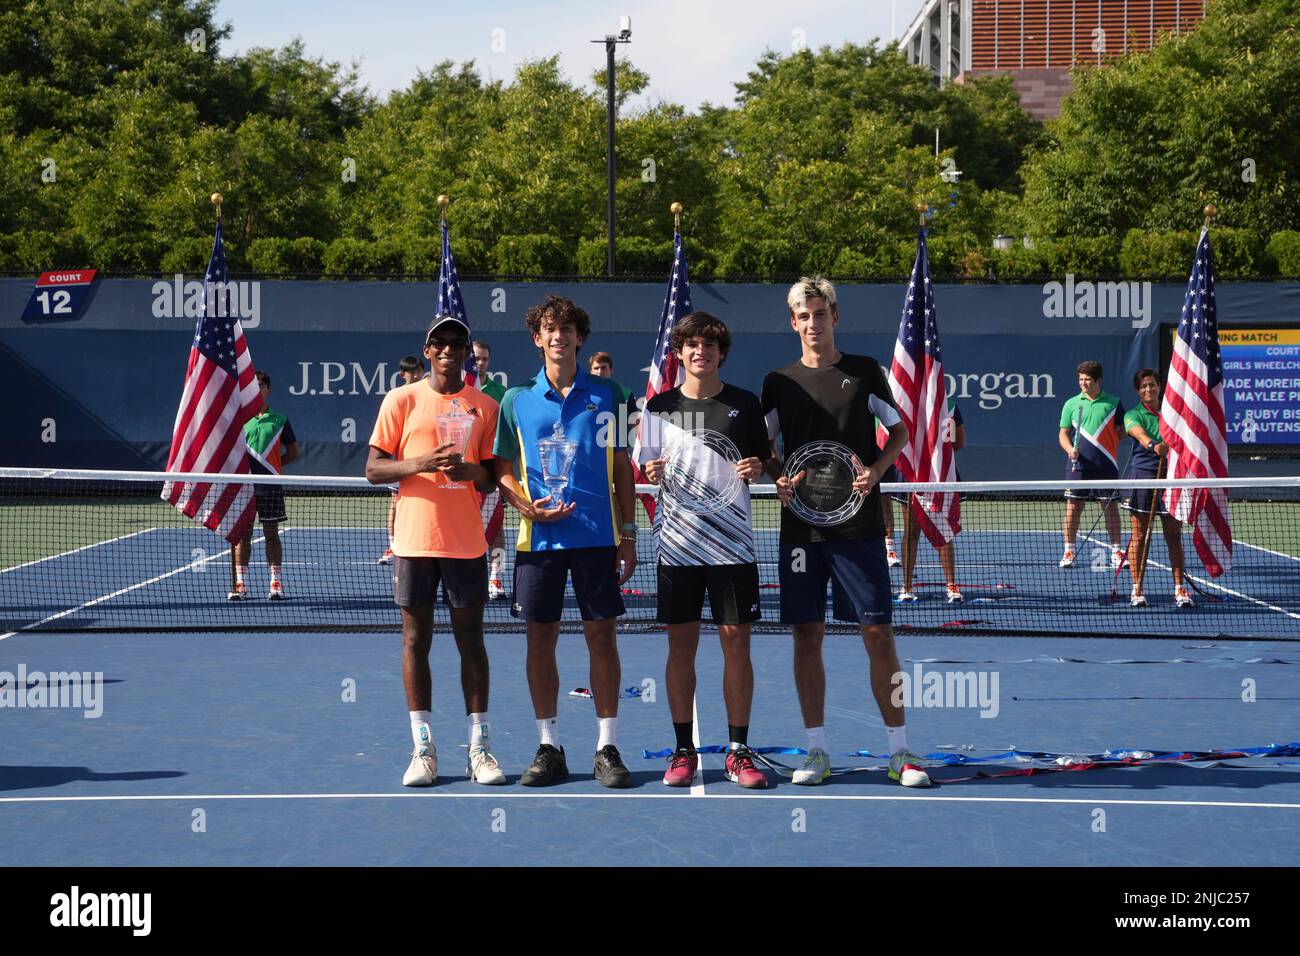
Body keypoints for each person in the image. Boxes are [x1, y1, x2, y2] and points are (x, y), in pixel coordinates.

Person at [761, 276, 930, 788]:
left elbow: (899, 431)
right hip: (801, 531)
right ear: (794, 323)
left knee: (878, 635)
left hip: (858, 526)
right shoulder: (778, 382)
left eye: (821, 313)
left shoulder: (864, 373)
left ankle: (900, 752)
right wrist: (778, 477)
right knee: (806, 635)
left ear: (836, 317)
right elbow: (768, 448)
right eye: (804, 315)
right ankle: (816, 752)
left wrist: (876, 471)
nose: (814, 323)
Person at [492, 295, 639, 788]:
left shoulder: (612, 394)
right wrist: (524, 506)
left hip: (598, 539)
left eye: (568, 328)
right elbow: (503, 470)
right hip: (538, 543)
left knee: (603, 638)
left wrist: (629, 532)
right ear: (538, 339)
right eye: (549, 329)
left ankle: (606, 745)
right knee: (540, 642)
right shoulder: (515, 400)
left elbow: (621, 465)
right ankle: (548, 744)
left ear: (580, 337)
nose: (559, 336)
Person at [365, 316, 506, 787]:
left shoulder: (485, 406)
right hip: (413, 542)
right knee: (415, 641)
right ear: (427, 349)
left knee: (472, 642)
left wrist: (472, 474)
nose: (448, 349)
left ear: (468, 352)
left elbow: (490, 477)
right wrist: (421, 464)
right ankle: (423, 750)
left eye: (456, 343)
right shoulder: (400, 399)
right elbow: (373, 469)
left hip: (465, 542)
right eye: (439, 342)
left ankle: (479, 749)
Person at [638, 312, 771, 789]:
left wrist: (759, 467)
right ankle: (682, 750)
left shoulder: (744, 403)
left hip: (733, 545)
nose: (701, 352)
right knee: (681, 647)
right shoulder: (656, 408)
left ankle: (738, 751)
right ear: (678, 353)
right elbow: (646, 469)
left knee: (737, 644)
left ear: (721, 353)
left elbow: (766, 462)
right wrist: (650, 473)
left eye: (710, 345)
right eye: (692, 345)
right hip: (677, 547)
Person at [1123, 368, 1192, 608]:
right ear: (1137, 390)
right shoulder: (1133, 414)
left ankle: (1180, 589)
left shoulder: (1172, 414)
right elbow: (1138, 434)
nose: (1148, 389)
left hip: (1172, 477)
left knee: (1174, 536)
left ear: (1159, 387)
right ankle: (1137, 589)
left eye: (1152, 385)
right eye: (1143, 386)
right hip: (1143, 477)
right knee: (1139, 536)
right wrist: (1153, 445)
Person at [231, 370, 299, 601]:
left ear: (268, 390)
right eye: (253, 386)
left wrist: (274, 468)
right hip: (244, 487)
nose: (257, 389)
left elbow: (293, 452)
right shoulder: (238, 419)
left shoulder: (281, 420)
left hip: (270, 486)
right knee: (243, 537)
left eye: (261, 385)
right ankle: (240, 583)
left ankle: (275, 582)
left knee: (272, 534)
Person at [895, 400, 964, 604]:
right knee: (913, 531)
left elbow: (959, 441)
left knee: (943, 530)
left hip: (940, 476)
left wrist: (936, 461)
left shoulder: (948, 404)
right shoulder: (908, 402)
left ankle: (951, 586)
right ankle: (907, 587)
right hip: (913, 477)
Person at [1058, 360, 1124, 570]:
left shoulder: (1113, 403)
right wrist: (1070, 450)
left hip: (1106, 465)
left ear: (1098, 381)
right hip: (1078, 466)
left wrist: (1107, 443)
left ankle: (1116, 551)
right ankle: (1069, 550)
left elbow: (1122, 431)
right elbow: (1063, 434)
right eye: (1080, 379)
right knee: (1074, 507)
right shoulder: (1070, 404)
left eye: (1087, 379)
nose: (1083, 383)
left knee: (1110, 508)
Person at [378, 354, 425, 565]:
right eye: (411, 371)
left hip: (425, 467)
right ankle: (392, 545)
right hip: (402, 464)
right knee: (395, 505)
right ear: (402, 375)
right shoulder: (396, 397)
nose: (415, 375)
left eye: (418, 370)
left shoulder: (427, 394)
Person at [472, 340, 509, 599]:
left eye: (484, 358)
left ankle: (495, 578)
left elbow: (507, 437)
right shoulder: (460, 389)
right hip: (466, 476)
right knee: (464, 528)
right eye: (476, 358)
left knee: (497, 529)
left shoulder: (500, 392)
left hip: (493, 473)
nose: (480, 363)